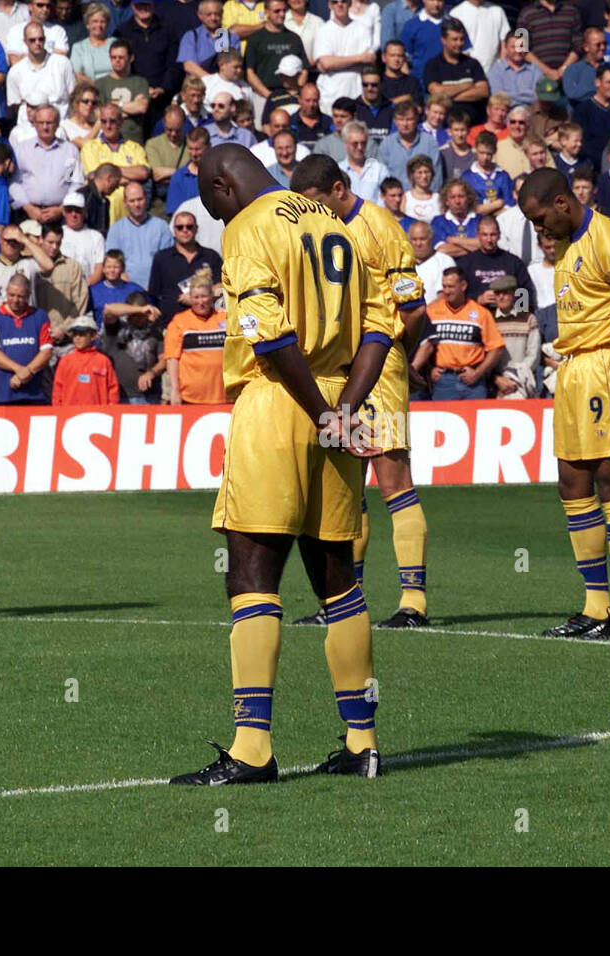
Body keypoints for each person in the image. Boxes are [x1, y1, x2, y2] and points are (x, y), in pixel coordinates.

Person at [168, 142, 395, 786]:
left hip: (277, 404)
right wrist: (344, 409)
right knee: (338, 580)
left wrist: (318, 409)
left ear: (223, 185)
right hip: (337, 402)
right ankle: (362, 741)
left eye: (210, 204)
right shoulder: (335, 223)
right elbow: (382, 324)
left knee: (252, 574)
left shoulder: (249, 227)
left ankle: (252, 750)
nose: (213, 219)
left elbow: (268, 335)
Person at [517, 165, 610, 639]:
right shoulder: (565, 247)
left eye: (540, 220)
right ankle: (594, 606)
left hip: (608, 365)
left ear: (563, 203)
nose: (539, 230)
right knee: (570, 481)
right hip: (575, 369)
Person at [291, 151, 432, 627]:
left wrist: (402, 359)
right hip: (336, 366)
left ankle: (414, 603)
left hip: (381, 360)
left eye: (314, 201)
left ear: (337, 189)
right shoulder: (318, 230)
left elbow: (413, 308)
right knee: (347, 489)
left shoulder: (378, 225)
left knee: (393, 481)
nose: (310, 211)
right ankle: (345, 602)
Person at [420, 266, 506, 398]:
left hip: (473, 382)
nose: (446, 291)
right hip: (443, 381)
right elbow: (421, 344)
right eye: (444, 286)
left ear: (463, 285)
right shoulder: (432, 311)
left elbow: (497, 348)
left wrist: (478, 373)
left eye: (451, 286)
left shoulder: (480, 313)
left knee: (476, 418)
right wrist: (429, 369)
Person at [0, 272, 54, 404]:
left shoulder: (40, 316)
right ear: (6, 292)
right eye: (12, 295)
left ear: (28, 296)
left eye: (20, 296)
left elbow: (47, 350)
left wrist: (29, 371)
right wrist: (19, 370)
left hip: (34, 394)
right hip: (1, 395)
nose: (15, 300)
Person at [9, 104, 83, 220]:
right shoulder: (23, 150)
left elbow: (73, 182)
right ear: (34, 124)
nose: (45, 127)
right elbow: (15, 182)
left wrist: (62, 209)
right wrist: (28, 208)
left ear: (58, 124)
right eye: (41, 123)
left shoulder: (69, 151)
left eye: (49, 122)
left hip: (60, 215)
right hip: (28, 214)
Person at [161, 274, 227, 404]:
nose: (200, 302)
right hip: (190, 397)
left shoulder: (225, 318)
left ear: (211, 297)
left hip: (225, 396)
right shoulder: (179, 321)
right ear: (190, 299)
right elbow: (172, 359)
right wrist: (174, 390)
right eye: (196, 297)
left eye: (204, 296)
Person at [147, 209, 223, 321]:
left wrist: (197, 298)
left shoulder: (211, 256)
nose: (185, 230)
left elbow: (222, 287)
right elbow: (153, 294)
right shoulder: (162, 258)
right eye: (180, 227)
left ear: (196, 229)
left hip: (206, 324)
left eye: (189, 226)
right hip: (171, 323)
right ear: (174, 230)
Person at [5, 20, 76, 131]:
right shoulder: (15, 71)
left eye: (40, 39)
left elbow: (73, 97)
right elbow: (15, 106)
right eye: (32, 40)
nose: (37, 43)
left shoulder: (63, 63)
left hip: (60, 128)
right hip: (27, 130)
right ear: (25, 42)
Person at [104, 181, 172, 290]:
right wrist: (129, 286)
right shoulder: (116, 229)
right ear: (125, 203)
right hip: (124, 287)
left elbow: (167, 260)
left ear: (146, 199)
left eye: (140, 199)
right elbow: (113, 261)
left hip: (155, 288)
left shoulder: (161, 226)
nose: (137, 204)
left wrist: (154, 284)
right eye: (132, 201)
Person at [423, 16, 488, 126]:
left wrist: (448, 97)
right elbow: (436, 92)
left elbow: (483, 91)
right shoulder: (433, 65)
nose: (459, 43)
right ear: (444, 40)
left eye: (461, 39)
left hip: (474, 125)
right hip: (445, 127)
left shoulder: (473, 64)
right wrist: (466, 86)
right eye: (454, 39)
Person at [52, 314, 120, 402]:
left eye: (82, 334)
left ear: (93, 336)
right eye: (75, 334)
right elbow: (57, 389)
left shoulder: (103, 361)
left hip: (97, 414)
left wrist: (111, 411)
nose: (77, 338)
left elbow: (113, 389)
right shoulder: (65, 361)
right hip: (70, 414)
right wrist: (58, 411)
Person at [95, 39, 148, 143]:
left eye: (121, 57)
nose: (117, 60)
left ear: (131, 58)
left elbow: (142, 107)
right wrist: (129, 109)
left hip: (134, 140)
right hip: (107, 141)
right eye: (113, 57)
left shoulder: (140, 82)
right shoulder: (100, 84)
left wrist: (116, 104)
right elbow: (99, 114)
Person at [407, 217, 452, 301]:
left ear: (431, 239)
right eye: (414, 239)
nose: (418, 244)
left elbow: (444, 296)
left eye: (422, 239)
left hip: (436, 312)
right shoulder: (403, 263)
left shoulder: (445, 261)